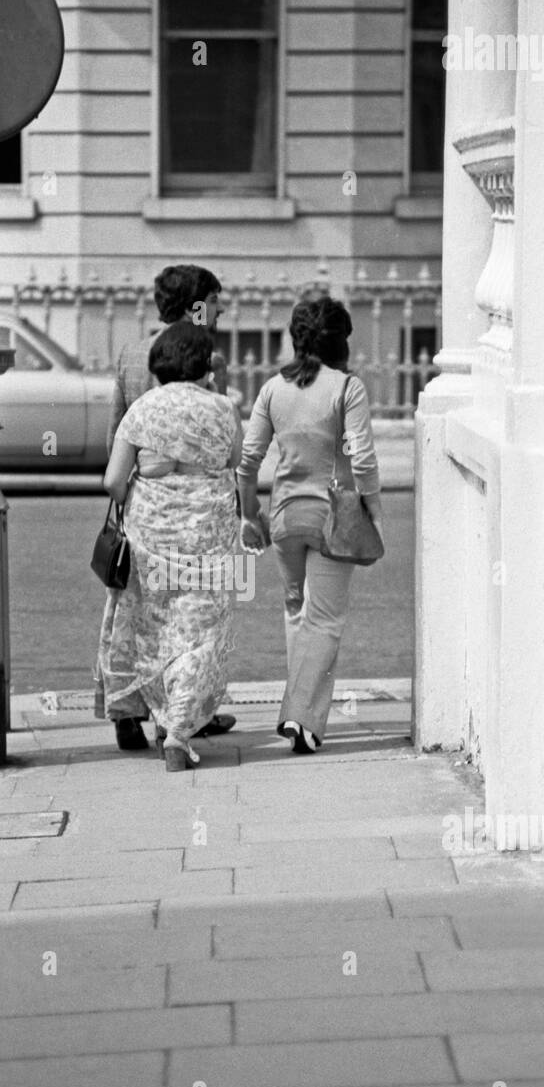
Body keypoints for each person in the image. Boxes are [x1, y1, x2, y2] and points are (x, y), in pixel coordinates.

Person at [95, 264, 236, 749]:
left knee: (132, 611)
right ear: (198, 305)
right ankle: (181, 712)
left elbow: (116, 430)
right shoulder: (207, 357)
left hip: (143, 502)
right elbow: (225, 451)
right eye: (216, 300)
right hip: (195, 516)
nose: (221, 309)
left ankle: (129, 710)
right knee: (187, 616)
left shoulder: (133, 351)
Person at [238, 295, 384, 754]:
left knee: (297, 610)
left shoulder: (272, 389)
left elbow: (247, 462)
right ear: (341, 340)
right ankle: (300, 717)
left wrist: (249, 514)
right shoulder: (347, 387)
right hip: (331, 516)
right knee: (325, 621)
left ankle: (303, 716)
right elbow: (361, 455)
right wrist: (374, 508)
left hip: (283, 517)